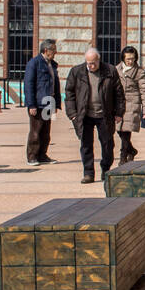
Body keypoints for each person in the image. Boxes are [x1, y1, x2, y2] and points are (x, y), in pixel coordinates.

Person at [64, 47, 124, 184]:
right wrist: (72, 114)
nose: (91, 66)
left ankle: (105, 169)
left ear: (99, 60)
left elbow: (118, 93)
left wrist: (119, 112)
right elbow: (69, 94)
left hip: (104, 114)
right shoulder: (76, 72)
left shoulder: (110, 71)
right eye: (88, 63)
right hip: (84, 115)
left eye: (93, 63)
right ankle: (88, 173)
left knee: (108, 144)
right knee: (86, 145)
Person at [23, 38, 61, 166]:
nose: (55, 52)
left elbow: (55, 85)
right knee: (36, 131)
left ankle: (42, 155)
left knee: (46, 132)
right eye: (54, 50)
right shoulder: (34, 63)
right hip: (38, 104)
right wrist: (31, 104)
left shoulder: (52, 64)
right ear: (46, 50)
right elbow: (28, 85)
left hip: (48, 102)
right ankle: (32, 156)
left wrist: (56, 104)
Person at [115, 45, 145, 164]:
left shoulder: (139, 72)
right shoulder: (116, 69)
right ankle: (131, 150)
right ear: (123, 59)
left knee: (126, 130)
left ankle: (123, 157)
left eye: (133, 58)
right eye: (128, 59)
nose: (130, 61)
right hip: (119, 103)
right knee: (119, 130)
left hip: (132, 103)